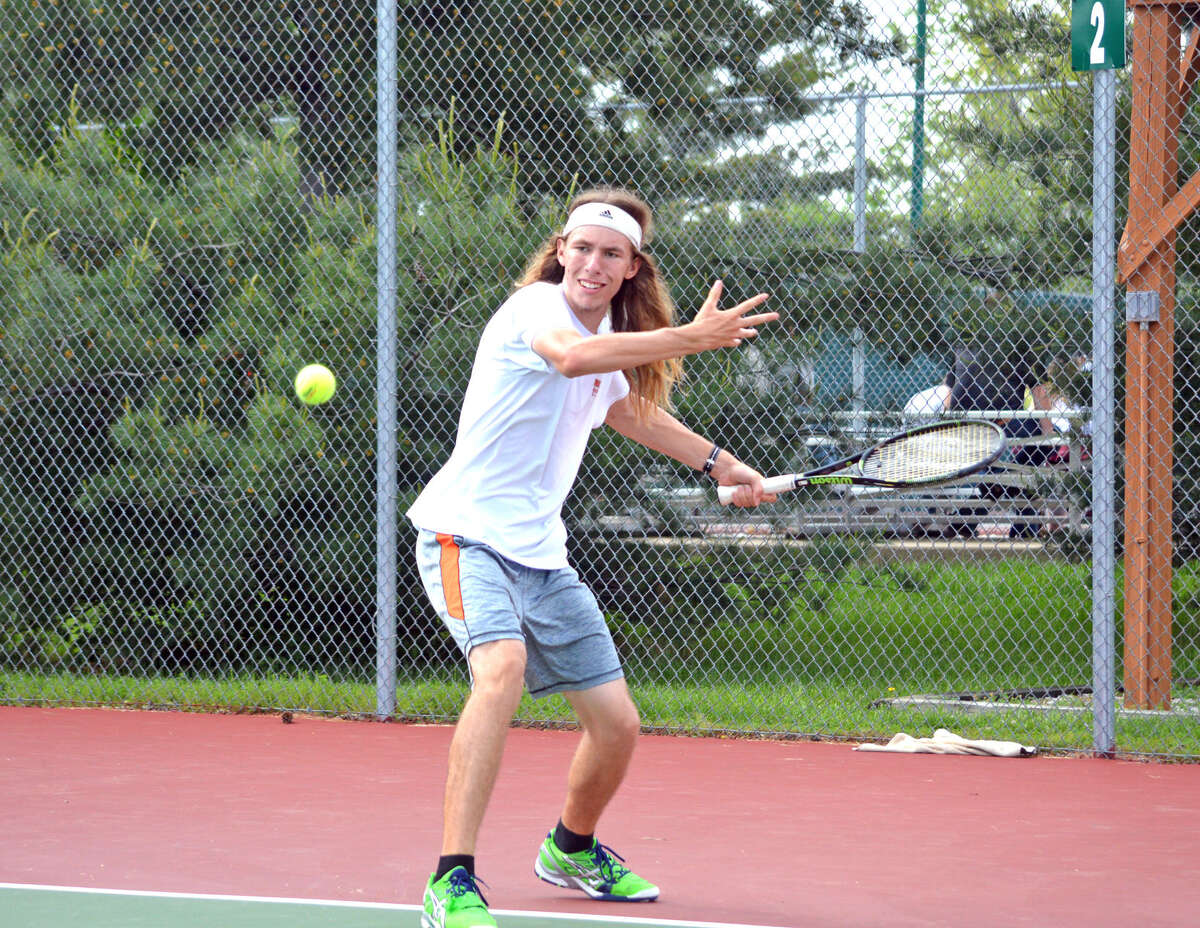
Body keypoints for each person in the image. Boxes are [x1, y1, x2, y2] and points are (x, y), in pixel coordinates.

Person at [405, 187, 779, 928]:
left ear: (633, 267)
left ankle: (571, 849)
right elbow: (574, 361)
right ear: (562, 250)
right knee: (501, 670)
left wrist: (721, 464)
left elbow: (626, 409)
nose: (594, 264)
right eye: (584, 248)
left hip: (542, 554)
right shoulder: (535, 311)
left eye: (613, 254)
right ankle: (451, 880)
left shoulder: (610, 330)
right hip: (463, 535)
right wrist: (688, 338)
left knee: (617, 725)